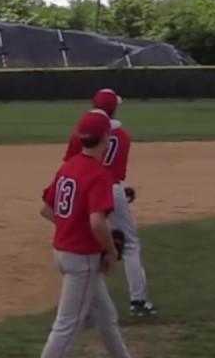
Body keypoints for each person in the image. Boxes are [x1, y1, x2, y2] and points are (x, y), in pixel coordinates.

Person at [24, 109, 169, 358]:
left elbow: (47, 210)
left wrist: (68, 228)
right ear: (106, 138)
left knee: (106, 317)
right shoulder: (98, 173)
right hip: (82, 260)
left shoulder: (69, 167)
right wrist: (111, 253)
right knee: (67, 325)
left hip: (64, 252)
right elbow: (97, 222)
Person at [63, 88, 156, 316]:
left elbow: (69, 166)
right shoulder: (123, 136)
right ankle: (138, 302)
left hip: (84, 187)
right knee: (131, 245)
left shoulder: (80, 135)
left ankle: (83, 307)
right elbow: (116, 174)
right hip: (112, 190)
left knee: (87, 246)